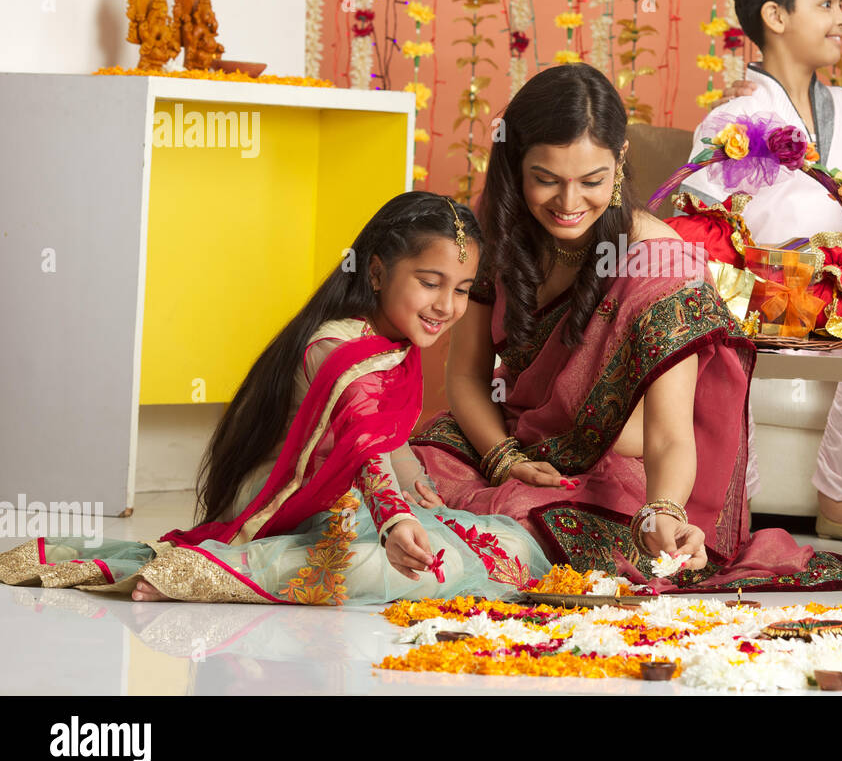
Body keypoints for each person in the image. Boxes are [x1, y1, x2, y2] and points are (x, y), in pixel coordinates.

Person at [406, 63, 842, 592]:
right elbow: (464, 376)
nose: (569, 203)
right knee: (392, 486)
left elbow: (671, 432)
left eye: (592, 181)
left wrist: (663, 510)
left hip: (609, 477)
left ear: (620, 160)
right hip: (508, 442)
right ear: (516, 165)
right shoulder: (497, 225)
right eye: (546, 180)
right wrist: (503, 458)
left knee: (513, 541)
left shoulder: (660, 263)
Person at [0, 193, 551, 602]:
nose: (447, 306)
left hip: (348, 501)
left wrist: (422, 497)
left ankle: (244, 567)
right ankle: (203, 573)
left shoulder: (390, 343)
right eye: (430, 282)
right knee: (407, 565)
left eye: (460, 289)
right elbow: (361, 441)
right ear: (378, 272)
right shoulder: (333, 344)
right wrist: (393, 518)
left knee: (508, 547)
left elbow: (385, 441)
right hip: (280, 504)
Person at [681, 0, 842, 547]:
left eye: (841, 3)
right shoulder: (730, 121)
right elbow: (704, 233)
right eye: (827, 4)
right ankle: (735, 507)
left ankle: (840, 498)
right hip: (760, 295)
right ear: (775, 17)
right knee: (721, 335)